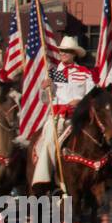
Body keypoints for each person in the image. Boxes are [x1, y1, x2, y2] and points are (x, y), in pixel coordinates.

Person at [30, 36, 96, 190]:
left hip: (79, 117)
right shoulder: (52, 73)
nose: (64, 54)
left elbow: (93, 94)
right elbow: (45, 100)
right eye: (62, 51)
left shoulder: (84, 73)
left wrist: (80, 102)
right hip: (59, 117)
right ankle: (46, 177)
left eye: (67, 51)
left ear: (74, 54)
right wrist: (45, 88)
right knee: (48, 141)